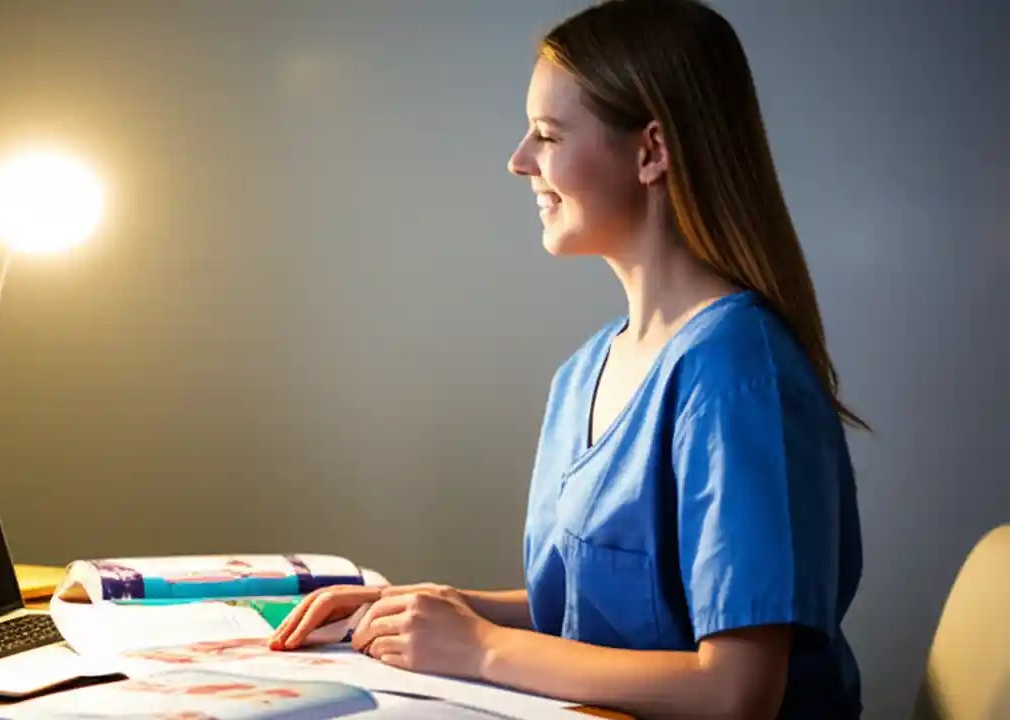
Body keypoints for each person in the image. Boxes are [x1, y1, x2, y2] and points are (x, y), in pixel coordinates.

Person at [269, 0, 866, 717]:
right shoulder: (585, 372)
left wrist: (481, 648)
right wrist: (441, 609)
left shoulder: (737, 373)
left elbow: (737, 691)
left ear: (651, 151)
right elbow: (607, 615)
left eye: (547, 135)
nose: (520, 161)